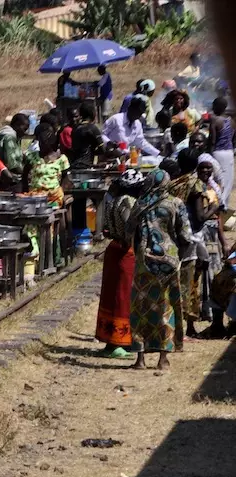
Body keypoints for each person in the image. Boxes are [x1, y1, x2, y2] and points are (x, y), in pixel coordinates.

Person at [129, 169, 193, 371]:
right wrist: (179, 255)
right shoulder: (175, 203)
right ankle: (163, 358)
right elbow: (186, 235)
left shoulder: (139, 204)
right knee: (166, 307)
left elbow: (129, 232)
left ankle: (140, 358)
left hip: (143, 263)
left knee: (140, 308)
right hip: (169, 260)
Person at [96, 170, 147, 358]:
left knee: (111, 295)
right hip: (126, 252)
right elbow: (129, 228)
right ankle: (120, 341)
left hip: (114, 250)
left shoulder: (113, 200)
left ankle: (110, 341)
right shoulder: (128, 202)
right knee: (124, 296)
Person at [184, 157, 222, 338]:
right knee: (196, 277)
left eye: (209, 168)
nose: (206, 172)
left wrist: (223, 241)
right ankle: (197, 316)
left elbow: (219, 219)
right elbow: (203, 215)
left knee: (213, 273)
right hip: (199, 235)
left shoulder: (215, 189)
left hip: (212, 237)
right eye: (202, 168)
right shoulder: (195, 188)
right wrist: (213, 208)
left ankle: (215, 320)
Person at [23, 123, 71, 205]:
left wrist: (61, 191)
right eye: (40, 143)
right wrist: (26, 190)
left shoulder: (61, 159)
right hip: (35, 196)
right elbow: (25, 174)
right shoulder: (32, 157)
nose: (41, 146)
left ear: (52, 144)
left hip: (54, 196)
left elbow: (66, 178)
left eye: (44, 144)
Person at [209, 97, 234, 208]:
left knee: (218, 180)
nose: (212, 108)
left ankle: (218, 205)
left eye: (214, 105)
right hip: (229, 152)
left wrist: (208, 155)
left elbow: (212, 141)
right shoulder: (231, 120)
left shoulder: (214, 120)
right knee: (228, 181)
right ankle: (225, 206)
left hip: (218, 153)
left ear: (218, 107)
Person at [69, 102, 107, 168]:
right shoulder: (93, 128)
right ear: (92, 113)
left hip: (74, 166)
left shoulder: (74, 129)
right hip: (86, 167)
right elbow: (102, 150)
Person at [0, 114, 29, 182]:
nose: (25, 132)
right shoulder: (9, 138)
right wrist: (27, 174)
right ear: (16, 125)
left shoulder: (9, 135)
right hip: (9, 179)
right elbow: (12, 165)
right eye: (24, 129)